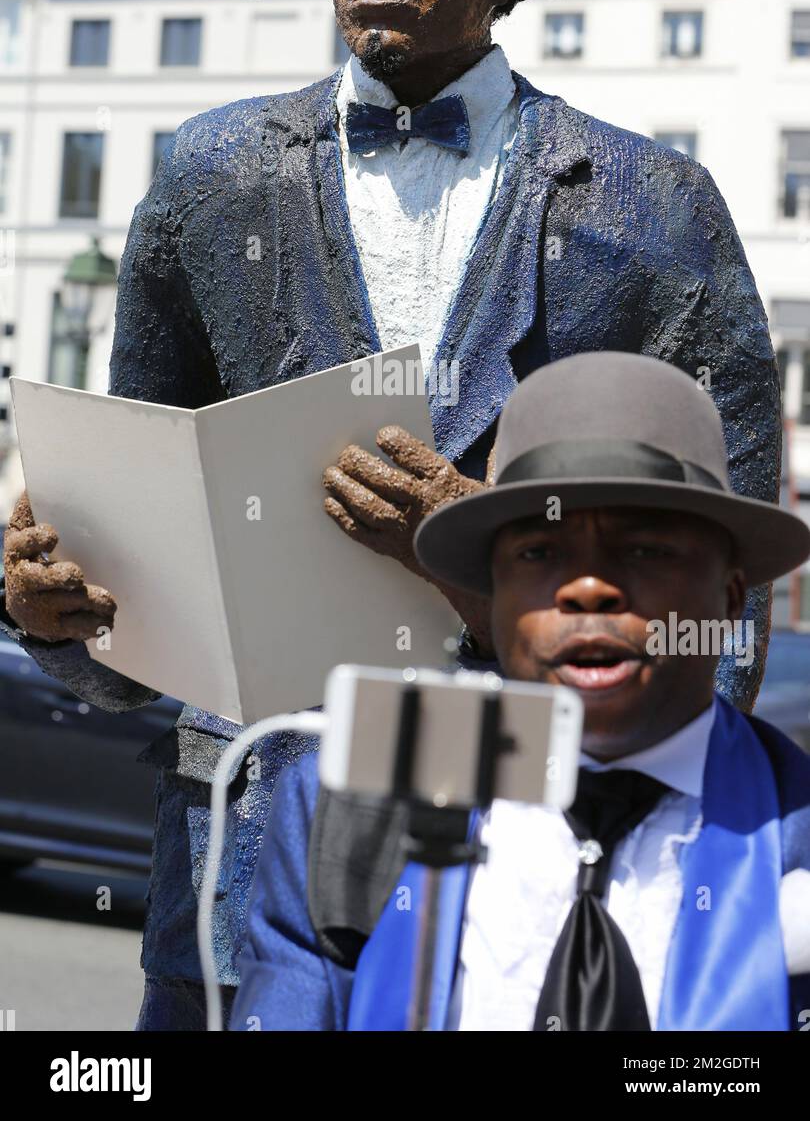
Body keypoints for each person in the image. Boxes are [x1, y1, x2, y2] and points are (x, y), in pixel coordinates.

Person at [0, 0, 783, 1030]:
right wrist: (56, 622)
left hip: (525, 875)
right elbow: (134, 598)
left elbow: (730, 603)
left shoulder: (652, 208)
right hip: (234, 866)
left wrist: (485, 556)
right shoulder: (210, 180)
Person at [231, 352, 810, 1032]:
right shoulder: (355, 801)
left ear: (729, 596)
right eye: (540, 554)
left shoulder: (792, 830)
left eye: (645, 550)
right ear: (495, 598)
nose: (588, 588)